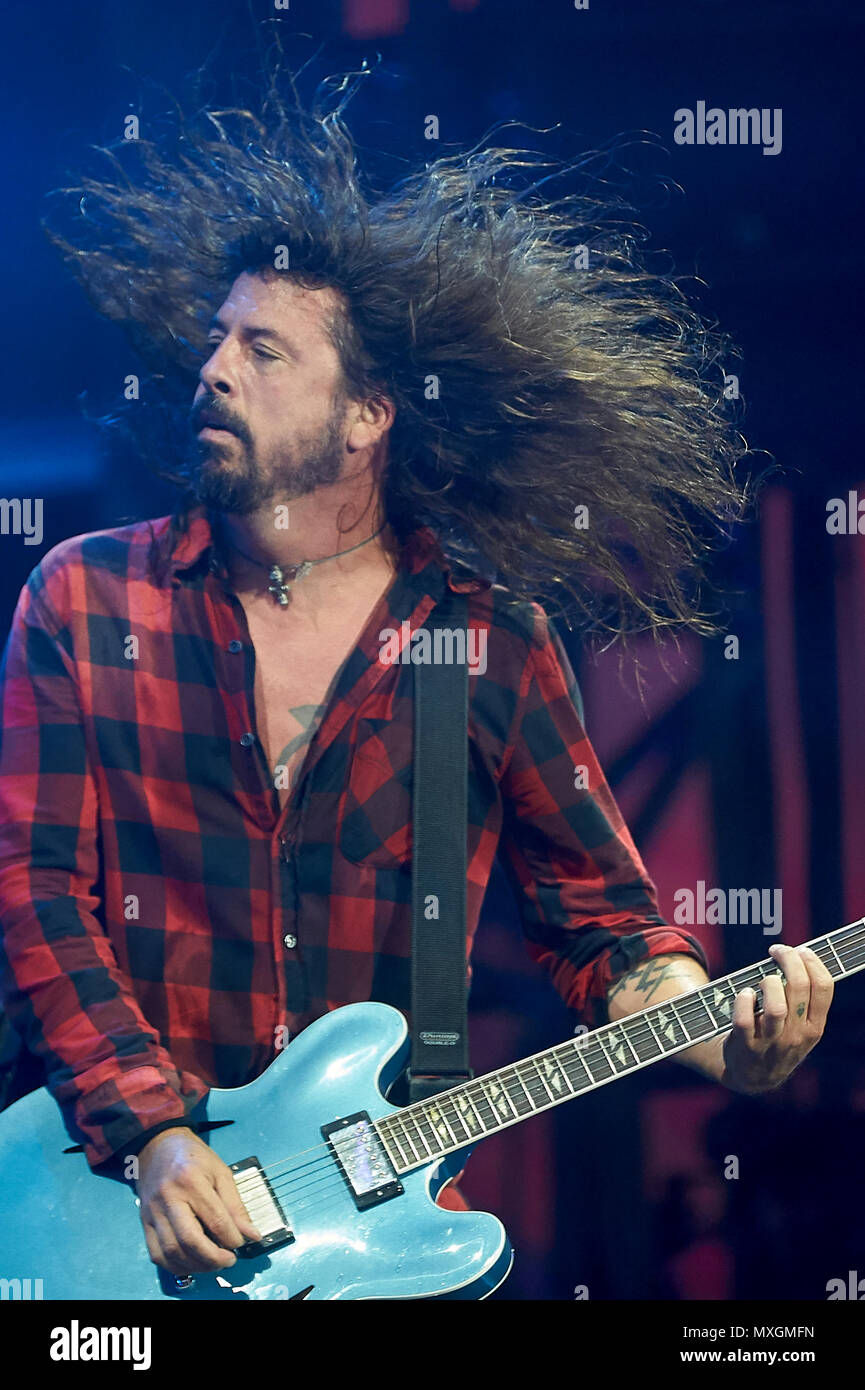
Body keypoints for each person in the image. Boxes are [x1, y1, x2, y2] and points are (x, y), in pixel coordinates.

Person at [0, 79, 834, 1281]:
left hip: (369, 1253)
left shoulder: (490, 645)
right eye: (216, 338)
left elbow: (607, 931)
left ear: (366, 419)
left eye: (263, 349)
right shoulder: (86, 599)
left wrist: (726, 1041)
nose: (213, 369)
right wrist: (156, 1135)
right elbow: (33, 894)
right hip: (102, 1221)